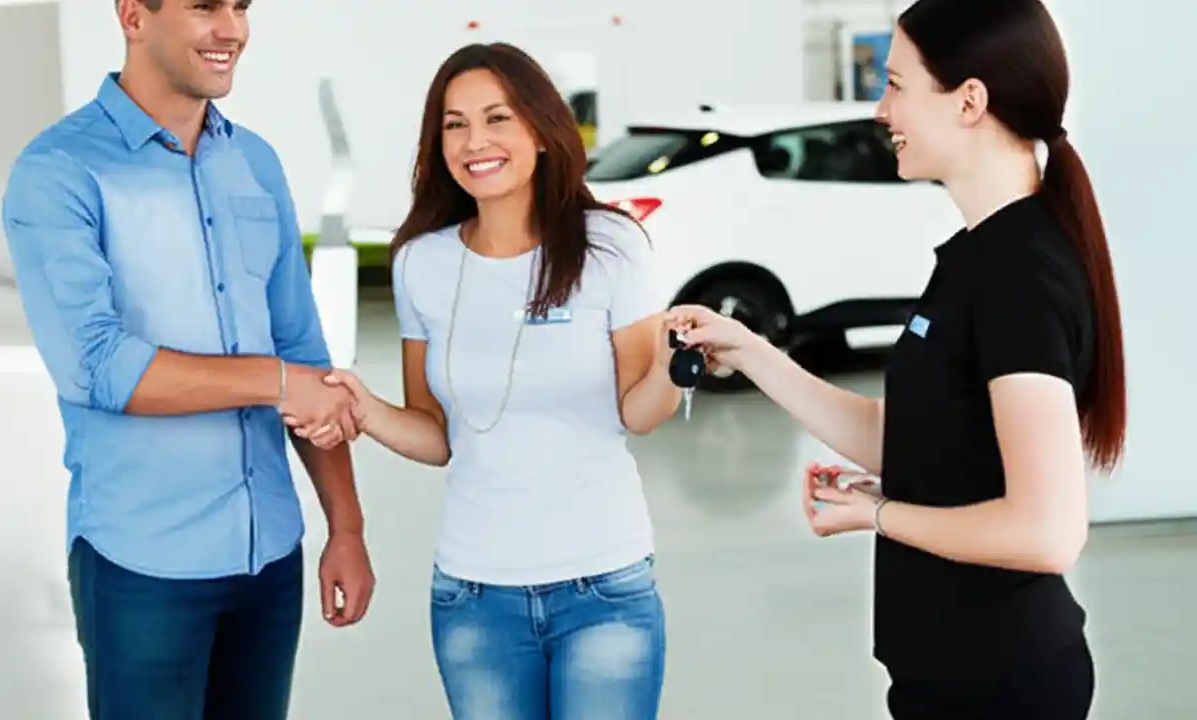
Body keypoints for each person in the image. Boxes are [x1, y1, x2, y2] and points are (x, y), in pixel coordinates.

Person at [668, 1, 1126, 718]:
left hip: (999, 682)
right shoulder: (980, 255)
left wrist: (879, 513)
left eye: (896, 84)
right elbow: (907, 431)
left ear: (969, 100)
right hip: (947, 674)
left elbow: (1045, 532)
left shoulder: (1019, 272)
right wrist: (752, 353)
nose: (881, 110)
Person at [0, 2, 374, 718]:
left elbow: (301, 347)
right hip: (143, 564)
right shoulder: (59, 170)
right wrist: (275, 381)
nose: (231, 28)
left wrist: (346, 528)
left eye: (240, 6)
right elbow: (97, 365)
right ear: (134, 15)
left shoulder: (254, 161)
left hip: (270, 558)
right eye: (205, 5)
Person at [326, 43, 680, 719]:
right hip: (473, 597)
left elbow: (639, 410)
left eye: (497, 118)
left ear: (542, 132)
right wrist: (363, 407)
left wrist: (674, 365)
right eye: (454, 124)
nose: (474, 141)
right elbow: (436, 434)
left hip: (603, 586)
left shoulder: (609, 244)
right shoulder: (420, 263)